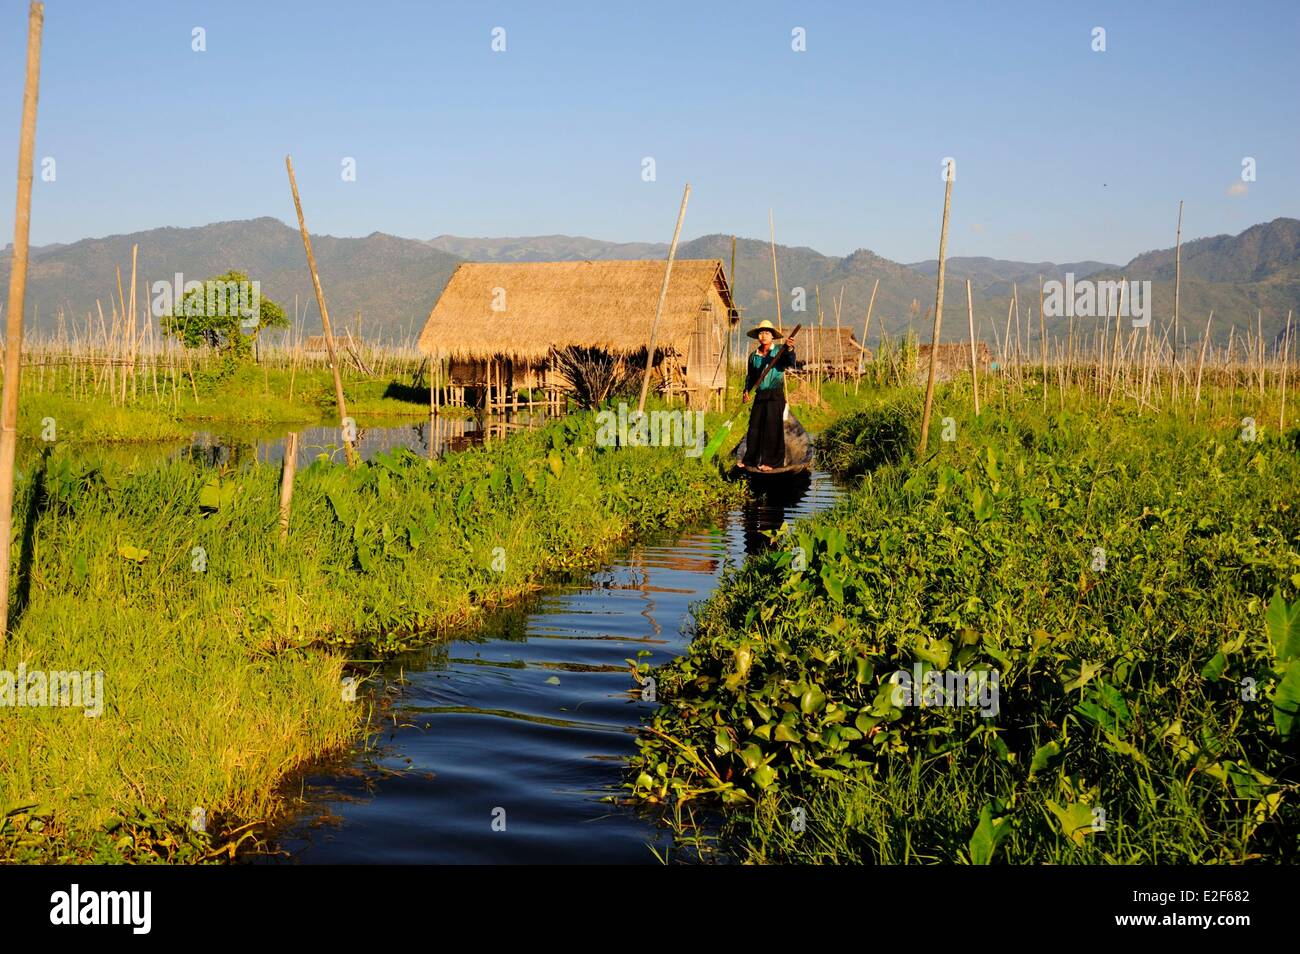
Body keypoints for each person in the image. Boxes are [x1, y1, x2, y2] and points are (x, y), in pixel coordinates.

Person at [739, 320, 798, 471]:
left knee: (773, 428)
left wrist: (790, 349)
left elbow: (790, 362)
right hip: (760, 395)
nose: (763, 335)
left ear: (772, 336)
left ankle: (772, 462)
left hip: (775, 394)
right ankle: (750, 460)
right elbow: (750, 377)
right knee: (754, 427)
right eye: (761, 333)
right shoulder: (754, 356)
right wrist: (746, 391)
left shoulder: (779, 350)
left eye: (767, 333)